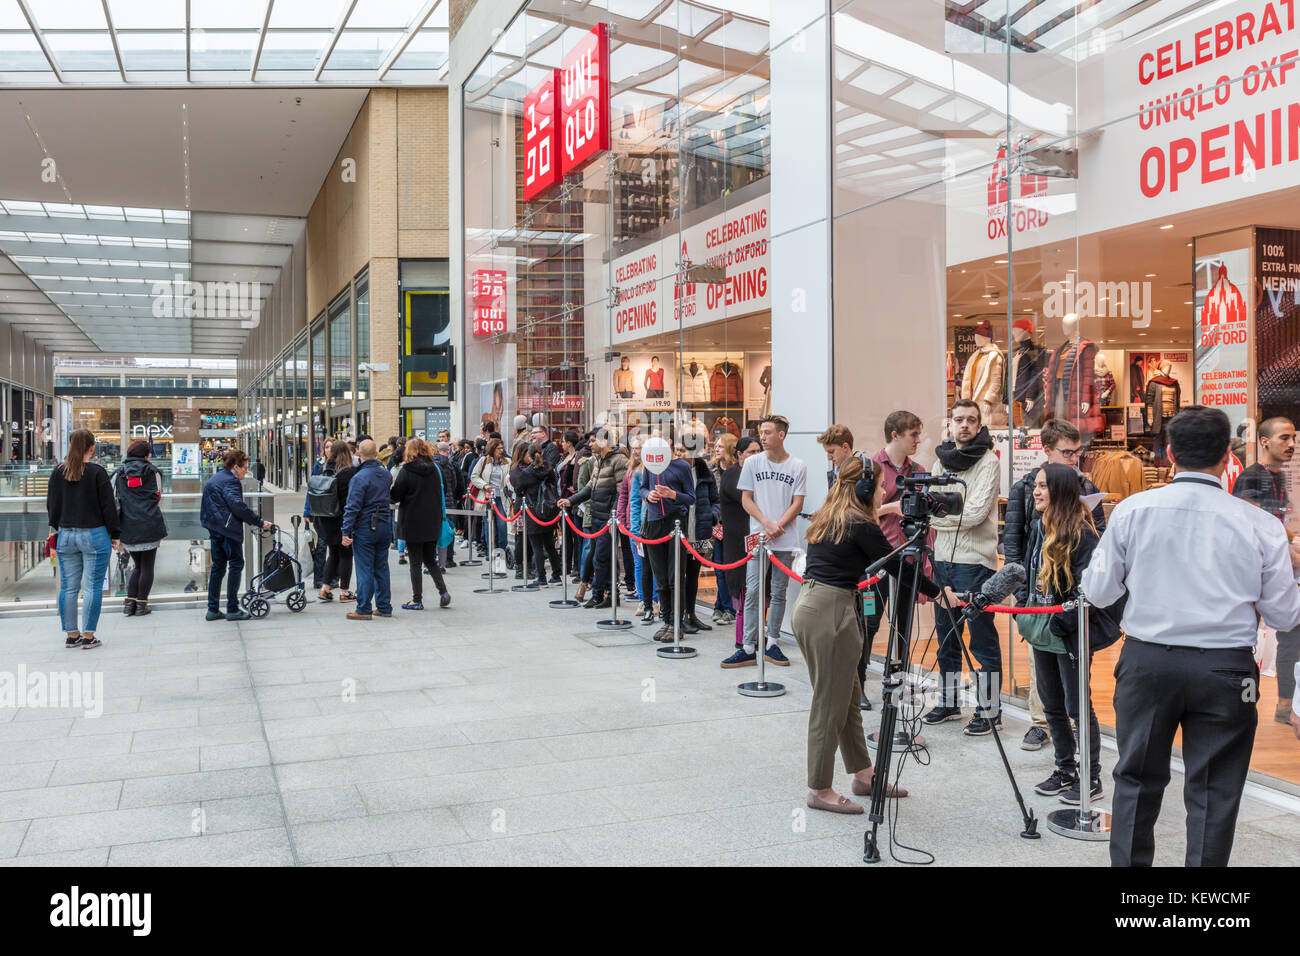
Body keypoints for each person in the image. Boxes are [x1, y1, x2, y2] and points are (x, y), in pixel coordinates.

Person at [1083, 406, 1300, 867]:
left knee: (1136, 780)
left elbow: (1098, 591)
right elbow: (1284, 615)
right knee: (1215, 791)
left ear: (1167, 453)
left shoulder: (1133, 511)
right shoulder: (1260, 525)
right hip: (1225, 669)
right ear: (1227, 456)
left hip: (1148, 661)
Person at [792, 457, 933, 812]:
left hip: (814, 606)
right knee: (830, 704)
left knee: (846, 698)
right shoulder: (860, 523)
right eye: (882, 484)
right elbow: (897, 564)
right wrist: (939, 593)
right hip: (832, 612)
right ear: (867, 488)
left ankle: (863, 774)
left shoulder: (832, 514)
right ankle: (819, 789)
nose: (887, 489)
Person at [1002, 418, 1107, 751]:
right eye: (1067, 452)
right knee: (1047, 689)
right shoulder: (1025, 492)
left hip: (1068, 617)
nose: (1074, 458)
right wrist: (1024, 604)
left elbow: (1095, 561)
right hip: (1040, 608)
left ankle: (1085, 765)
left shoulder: (1084, 506)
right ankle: (1049, 739)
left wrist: (1065, 616)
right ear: (1047, 451)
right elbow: (1016, 548)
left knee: (1075, 696)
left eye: (1077, 452)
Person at [1022, 463, 1122, 806]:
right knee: (1051, 705)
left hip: (1068, 632)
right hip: (1043, 629)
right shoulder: (1039, 526)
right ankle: (1064, 769)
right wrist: (1026, 607)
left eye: (1043, 486)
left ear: (1061, 492)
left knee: (1076, 706)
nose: (1036, 492)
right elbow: (1028, 571)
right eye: (1035, 485)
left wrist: (1062, 623)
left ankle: (1090, 776)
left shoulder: (1083, 535)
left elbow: (1089, 589)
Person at [921, 399, 1002, 734]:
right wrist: (941, 516)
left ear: (980, 426)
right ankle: (949, 701)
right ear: (950, 425)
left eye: (971, 420)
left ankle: (990, 709)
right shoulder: (941, 464)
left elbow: (976, 514)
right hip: (943, 561)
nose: (965, 425)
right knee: (947, 637)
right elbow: (928, 511)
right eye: (959, 419)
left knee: (982, 640)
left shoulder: (988, 461)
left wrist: (941, 517)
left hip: (975, 564)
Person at [722, 414, 807, 668]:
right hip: (759, 538)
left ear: (781, 435)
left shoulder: (797, 465)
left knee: (779, 592)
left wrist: (778, 525)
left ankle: (772, 643)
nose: (763, 437)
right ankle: (748, 646)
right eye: (762, 432)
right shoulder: (752, 463)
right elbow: (747, 499)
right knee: (753, 590)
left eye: (768, 432)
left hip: (785, 538)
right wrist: (767, 524)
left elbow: (798, 502)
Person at [1232, 416, 1300, 724]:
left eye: (1294, 438)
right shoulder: (1250, 478)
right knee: (1244, 637)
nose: (1292, 444)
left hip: (1276, 568)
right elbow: (1250, 525)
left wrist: (1291, 541)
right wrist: (1289, 547)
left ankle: (1286, 704)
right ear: (1264, 441)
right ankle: (1240, 705)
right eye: (1285, 438)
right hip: (1252, 571)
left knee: (1291, 634)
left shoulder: (1279, 477)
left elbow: (1276, 523)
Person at [860, 410, 925, 709]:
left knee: (904, 624)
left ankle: (898, 682)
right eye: (913, 434)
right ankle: (857, 684)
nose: (918, 440)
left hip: (909, 559)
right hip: (876, 560)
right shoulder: (870, 469)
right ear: (895, 434)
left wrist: (924, 562)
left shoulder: (920, 470)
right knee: (869, 623)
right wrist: (891, 508)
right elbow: (858, 515)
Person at [46, 428, 119, 649]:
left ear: (70, 445)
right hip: (95, 534)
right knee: (92, 587)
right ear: (92, 448)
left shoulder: (58, 471)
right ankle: (88, 636)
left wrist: (57, 527)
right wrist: (115, 534)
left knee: (68, 587)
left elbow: (52, 505)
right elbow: (109, 507)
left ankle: (71, 635)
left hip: (66, 534)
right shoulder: (97, 472)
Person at [200, 447, 272, 623]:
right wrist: (260, 522)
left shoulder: (216, 478)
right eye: (244, 467)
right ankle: (232, 608)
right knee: (236, 564)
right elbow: (238, 506)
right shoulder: (230, 482)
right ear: (236, 466)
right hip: (228, 529)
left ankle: (213, 609)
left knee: (218, 567)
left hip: (215, 528)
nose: (246, 471)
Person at [560, 429, 629, 610]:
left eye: (592, 441)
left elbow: (622, 493)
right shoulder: (598, 460)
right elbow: (590, 487)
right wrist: (570, 500)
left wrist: (613, 517)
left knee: (601, 557)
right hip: (598, 516)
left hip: (608, 518)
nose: (589, 445)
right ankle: (606, 594)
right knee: (602, 557)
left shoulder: (619, 460)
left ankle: (600, 594)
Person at [639, 437, 697, 641]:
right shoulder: (649, 465)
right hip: (654, 523)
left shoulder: (681, 467)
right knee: (661, 578)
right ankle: (666, 620)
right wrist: (648, 496)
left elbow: (691, 498)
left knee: (675, 577)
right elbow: (642, 487)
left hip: (675, 524)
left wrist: (673, 494)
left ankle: (676, 623)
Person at [389, 438, 451, 611]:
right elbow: (444, 489)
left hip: (412, 520)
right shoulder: (435, 469)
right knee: (430, 559)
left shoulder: (406, 470)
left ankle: (417, 599)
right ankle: (443, 592)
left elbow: (396, 495)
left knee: (415, 562)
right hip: (432, 520)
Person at [340, 439, 395, 621]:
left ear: (359, 455)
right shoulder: (386, 475)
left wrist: (345, 531)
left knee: (364, 569)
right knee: (381, 567)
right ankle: (384, 606)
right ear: (376, 454)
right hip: (384, 524)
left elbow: (352, 507)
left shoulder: (359, 478)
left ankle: (363, 608)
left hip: (365, 526)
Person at [114, 439, 167, 617]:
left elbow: (116, 498)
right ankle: (142, 605)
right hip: (150, 523)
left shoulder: (120, 473)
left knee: (137, 566)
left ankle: (130, 604)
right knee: (147, 567)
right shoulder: (153, 471)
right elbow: (158, 496)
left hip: (128, 525)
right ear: (147, 455)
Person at [719, 435, 762, 647]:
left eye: (758, 452)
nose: (756, 456)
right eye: (751, 452)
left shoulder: (758, 474)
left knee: (762, 594)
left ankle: (758, 637)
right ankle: (743, 641)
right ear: (739, 454)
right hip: (738, 545)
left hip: (759, 542)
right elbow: (750, 500)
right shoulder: (732, 475)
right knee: (746, 595)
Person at [510, 442, 563, 588]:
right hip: (549, 510)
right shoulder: (548, 468)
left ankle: (541, 578)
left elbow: (518, 489)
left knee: (537, 546)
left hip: (533, 511)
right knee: (549, 545)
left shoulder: (527, 472)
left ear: (530, 454)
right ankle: (556, 575)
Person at [308, 440, 356, 602]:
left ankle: (325, 588)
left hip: (324, 520)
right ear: (346, 453)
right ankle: (345, 591)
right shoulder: (348, 473)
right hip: (341, 519)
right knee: (346, 554)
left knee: (333, 554)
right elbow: (350, 500)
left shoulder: (322, 469)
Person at [679, 440, 718, 633]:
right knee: (680, 574)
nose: (679, 453)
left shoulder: (705, 473)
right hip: (681, 532)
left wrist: (713, 515)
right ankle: (680, 616)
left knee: (694, 574)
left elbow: (715, 500)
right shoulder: (675, 471)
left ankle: (692, 615)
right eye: (677, 449)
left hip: (700, 530)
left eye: (682, 450)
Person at [708, 435, 736, 626]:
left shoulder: (736, 472)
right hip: (716, 526)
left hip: (734, 527)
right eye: (715, 446)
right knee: (719, 568)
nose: (717, 449)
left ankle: (726, 607)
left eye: (721, 446)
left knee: (729, 569)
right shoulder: (712, 472)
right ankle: (723, 606)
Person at [471, 437, 510, 560]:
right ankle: (490, 550)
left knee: (502, 524)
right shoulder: (483, 461)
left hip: (501, 497)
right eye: (499, 448)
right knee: (488, 524)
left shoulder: (508, 462)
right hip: (487, 497)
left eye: (502, 448)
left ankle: (502, 550)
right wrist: (484, 485)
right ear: (492, 449)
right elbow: (474, 476)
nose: (501, 450)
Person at [434, 441, 461, 569]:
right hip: (449, 502)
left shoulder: (431, 465)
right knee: (449, 530)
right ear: (447, 451)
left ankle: (434, 559)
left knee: (434, 531)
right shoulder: (450, 465)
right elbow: (455, 484)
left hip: (435, 502)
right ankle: (448, 559)